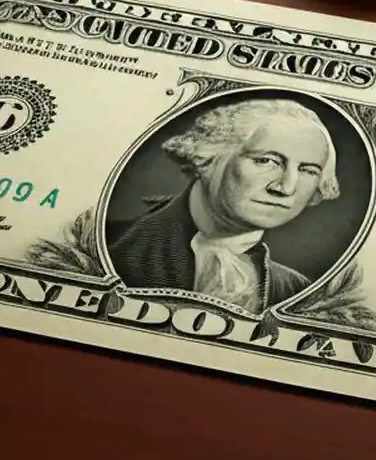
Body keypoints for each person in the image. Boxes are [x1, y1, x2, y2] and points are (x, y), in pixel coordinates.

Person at [107, 98, 341, 317]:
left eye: (308, 170)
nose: (286, 188)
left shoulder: (299, 293)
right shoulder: (102, 244)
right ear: (210, 158)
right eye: (266, 161)